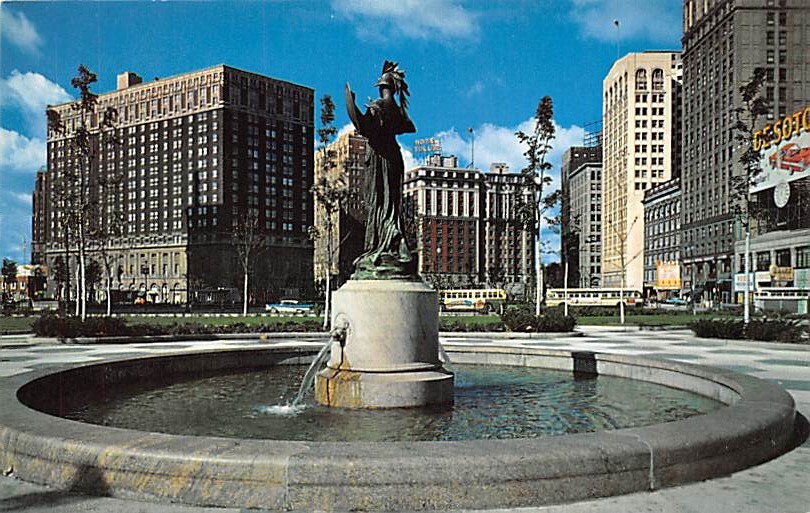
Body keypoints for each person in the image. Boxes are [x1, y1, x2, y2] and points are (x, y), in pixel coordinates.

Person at [345, 60, 417, 279]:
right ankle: (392, 242)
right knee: (391, 202)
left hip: (380, 159)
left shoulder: (379, 106)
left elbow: (365, 126)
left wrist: (353, 105)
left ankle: (384, 244)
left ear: (381, 88)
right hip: (394, 157)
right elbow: (409, 126)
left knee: (378, 202)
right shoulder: (396, 109)